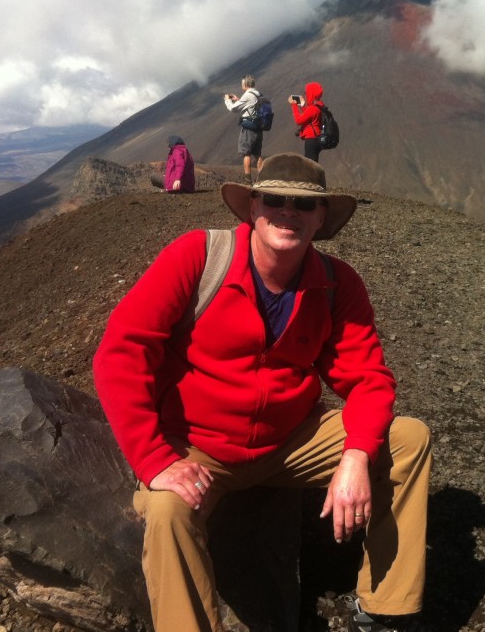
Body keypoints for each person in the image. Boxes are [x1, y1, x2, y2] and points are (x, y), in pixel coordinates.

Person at [93, 153, 432, 632]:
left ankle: (385, 608)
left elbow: (368, 379)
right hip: (197, 444)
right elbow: (120, 353)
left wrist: (355, 457)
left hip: (288, 442)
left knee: (408, 439)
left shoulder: (337, 283)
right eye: (275, 199)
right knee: (168, 512)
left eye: (303, 204)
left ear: (321, 218)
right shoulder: (199, 256)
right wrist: (154, 460)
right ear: (253, 207)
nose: (287, 211)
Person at [224, 74, 266, 179]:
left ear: (245, 84)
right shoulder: (259, 95)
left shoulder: (247, 95)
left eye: (242, 83)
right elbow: (250, 107)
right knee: (257, 154)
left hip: (248, 129)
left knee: (246, 153)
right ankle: (263, 178)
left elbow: (234, 109)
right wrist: (239, 100)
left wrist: (227, 100)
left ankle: (248, 180)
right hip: (258, 128)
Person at [289, 81, 325, 162]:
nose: (305, 94)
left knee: (310, 167)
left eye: (306, 92)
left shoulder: (312, 108)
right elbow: (311, 117)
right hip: (317, 137)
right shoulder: (320, 105)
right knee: (313, 164)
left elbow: (299, 121)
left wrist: (294, 105)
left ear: (311, 93)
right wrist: (303, 106)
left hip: (311, 139)